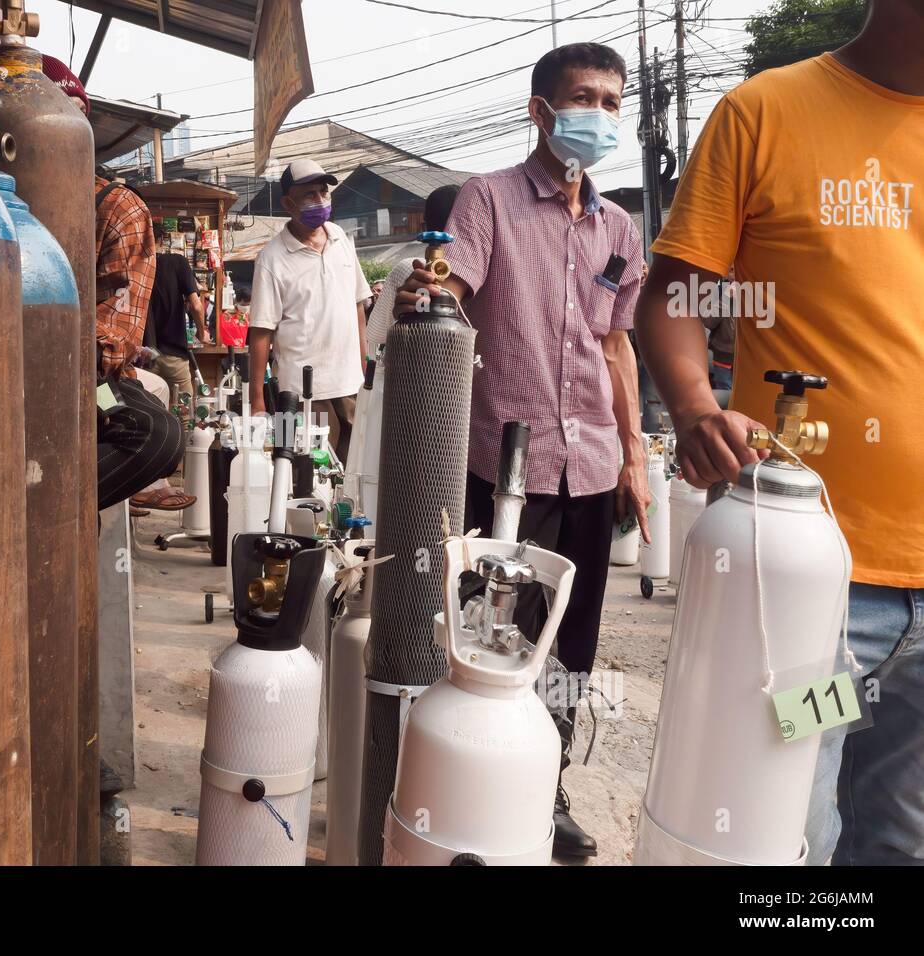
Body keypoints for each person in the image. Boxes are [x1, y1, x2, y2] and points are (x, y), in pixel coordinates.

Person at [634, 0, 924, 866]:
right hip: (819, 599)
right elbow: (676, 295)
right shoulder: (768, 112)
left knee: (904, 837)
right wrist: (692, 406)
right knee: (786, 835)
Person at [394, 42, 650, 859]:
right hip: (506, 467)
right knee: (491, 635)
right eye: (585, 98)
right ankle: (469, 786)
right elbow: (450, 288)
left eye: (614, 101)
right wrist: (424, 292)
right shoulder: (489, 201)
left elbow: (618, 349)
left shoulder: (619, 228)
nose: (601, 115)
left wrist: (637, 459)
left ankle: (548, 789)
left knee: (569, 644)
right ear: (540, 110)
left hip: (595, 466)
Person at [248, 158, 369, 457]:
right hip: (296, 393)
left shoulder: (341, 238)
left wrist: (363, 367)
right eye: (309, 195)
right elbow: (261, 332)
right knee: (297, 477)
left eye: (323, 193)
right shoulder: (272, 258)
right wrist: (257, 402)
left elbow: (357, 306)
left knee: (350, 472)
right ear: (289, 204)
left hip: (349, 383)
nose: (320, 200)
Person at [94, 173, 185, 512]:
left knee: (153, 399)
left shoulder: (109, 204)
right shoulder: (119, 206)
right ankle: (144, 484)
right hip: (92, 380)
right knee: (156, 432)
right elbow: (108, 352)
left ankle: (145, 485)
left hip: (95, 375)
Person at [366, 184, 461, 357]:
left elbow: (375, 334)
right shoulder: (492, 277)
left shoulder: (408, 270)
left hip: (416, 375)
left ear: (425, 227)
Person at [147, 221, 209, 409]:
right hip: (174, 356)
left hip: (145, 358)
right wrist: (201, 331)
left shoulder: (137, 268)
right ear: (161, 240)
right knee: (185, 414)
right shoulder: (177, 262)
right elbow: (197, 306)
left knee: (152, 414)